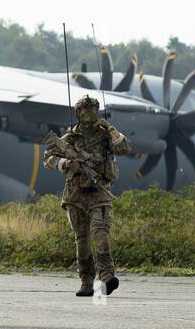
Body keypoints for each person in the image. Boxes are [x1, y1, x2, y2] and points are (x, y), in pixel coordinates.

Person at [43, 94, 134, 297]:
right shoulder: (70, 139)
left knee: (101, 236)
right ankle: (86, 282)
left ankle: (107, 277)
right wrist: (64, 164)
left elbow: (125, 148)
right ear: (78, 113)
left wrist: (111, 130)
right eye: (85, 110)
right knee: (82, 241)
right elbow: (48, 157)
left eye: (93, 109)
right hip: (75, 196)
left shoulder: (104, 136)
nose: (89, 114)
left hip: (99, 194)